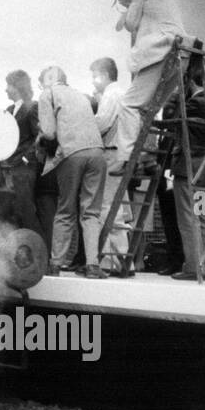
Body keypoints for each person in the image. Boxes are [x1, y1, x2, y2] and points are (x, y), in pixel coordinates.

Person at [113, 0, 186, 174]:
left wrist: (126, 4)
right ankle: (148, 159)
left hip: (159, 49)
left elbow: (131, 24)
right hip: (181, 51)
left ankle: (128, 159)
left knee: (129, 104)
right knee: (148, 109)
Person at [36, 66, 108, 279]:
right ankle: (93, 265)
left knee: (65, 210)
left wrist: (39, 140)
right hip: (97, 152)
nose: (41, 85)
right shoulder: (81, 95)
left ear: (51, 78)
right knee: (91, 212)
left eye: (42, 80)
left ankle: (56, 263)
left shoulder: (47, 94)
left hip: (71, 153)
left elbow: (49, 133)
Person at [160, 53, 205, 280]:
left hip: (186, 170)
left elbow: (169, 117)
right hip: (200, 169)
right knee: (199, 217)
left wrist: (175, 96)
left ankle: (194, 265)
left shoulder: (192, 103)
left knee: (188, 219)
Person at [90, 57, 132, 274]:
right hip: (122, 151)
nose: (94, 81)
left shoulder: (111, 94)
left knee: (106, 207)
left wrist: (85, 124)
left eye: (95, 76)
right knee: (118, 208)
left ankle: (111, 261)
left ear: (105, 75)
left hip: (111, 151)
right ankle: (123, 259)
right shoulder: (123, 93)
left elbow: (102, 122)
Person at [3, 70, 43, 238]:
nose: (5, 89)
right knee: (15, 209)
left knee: (26, 209)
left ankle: (38, 248)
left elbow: (39, 137)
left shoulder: (32, 107)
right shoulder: (9, 109)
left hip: (25, 168)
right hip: (11, 167)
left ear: (17, 87)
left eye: (8, 85)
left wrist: (27, 158)